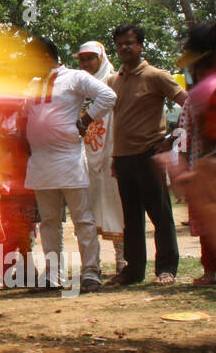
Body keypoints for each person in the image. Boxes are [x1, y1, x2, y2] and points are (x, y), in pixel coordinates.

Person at [19, 38, 115, 292]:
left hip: (69, 159)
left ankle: (91, 272)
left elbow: (107, 96)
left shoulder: (75, 77)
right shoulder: (32, 84)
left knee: (82, 219)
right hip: (40, 161)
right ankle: (53, 276)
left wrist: (85, 120)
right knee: (49, 221)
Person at [104, 22, 187, 287]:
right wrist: (115, 158)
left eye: (129, 42)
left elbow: (189, 104)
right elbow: (117, 122)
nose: (124, 48)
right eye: (119, 44)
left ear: (141, 45)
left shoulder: (156, 75)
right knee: (131, 219)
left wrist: (173, 137)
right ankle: (133, 270)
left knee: (161, 216)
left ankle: (166, 268)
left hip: (150, 155)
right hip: (124, 159)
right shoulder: (113, 81)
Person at [174, 22, 216, 286]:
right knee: (210, 224)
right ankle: (211, 271)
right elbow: (185, 128)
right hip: (205, 167)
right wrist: (184, 161)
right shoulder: (198, 94)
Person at [75, 41, 126, 275]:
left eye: (90, 59)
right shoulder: (79, 87)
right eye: (82, 59)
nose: (86, 64)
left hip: (111, 152)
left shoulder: (114, 81)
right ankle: (92, 264)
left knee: (117, 206)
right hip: (85, 156)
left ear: (101, 58)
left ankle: (122, 259)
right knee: (87, 210)